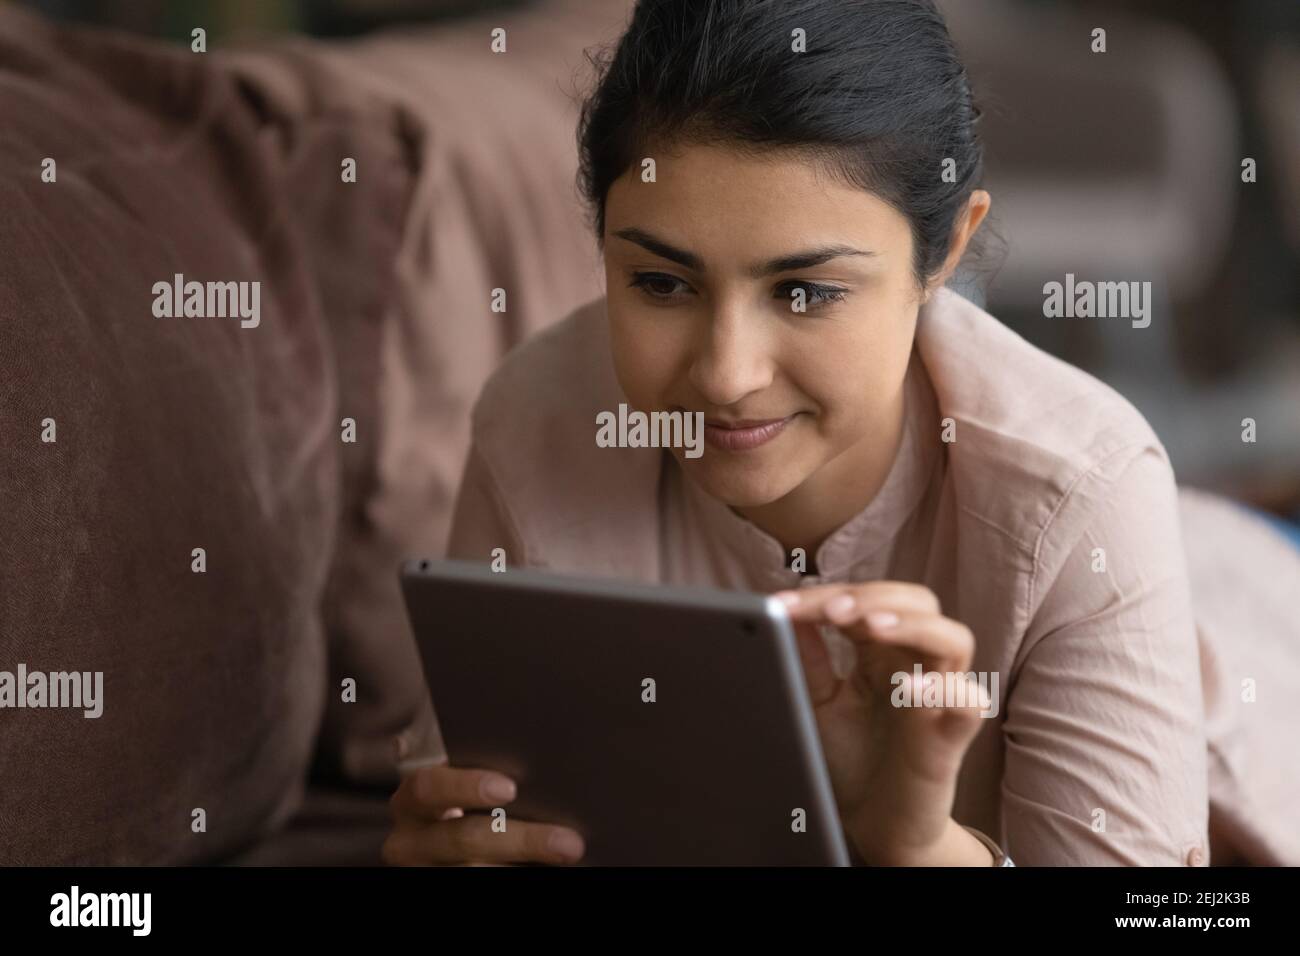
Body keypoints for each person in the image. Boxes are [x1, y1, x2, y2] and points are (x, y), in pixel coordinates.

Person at [383, 0, 1300, 866]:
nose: (725, 375)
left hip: (1242, 609)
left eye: (806, 291)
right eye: (662, 283)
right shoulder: (532, 422)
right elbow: (475, 804)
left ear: (942, 252)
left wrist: (914, 846)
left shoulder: (1085, 488)